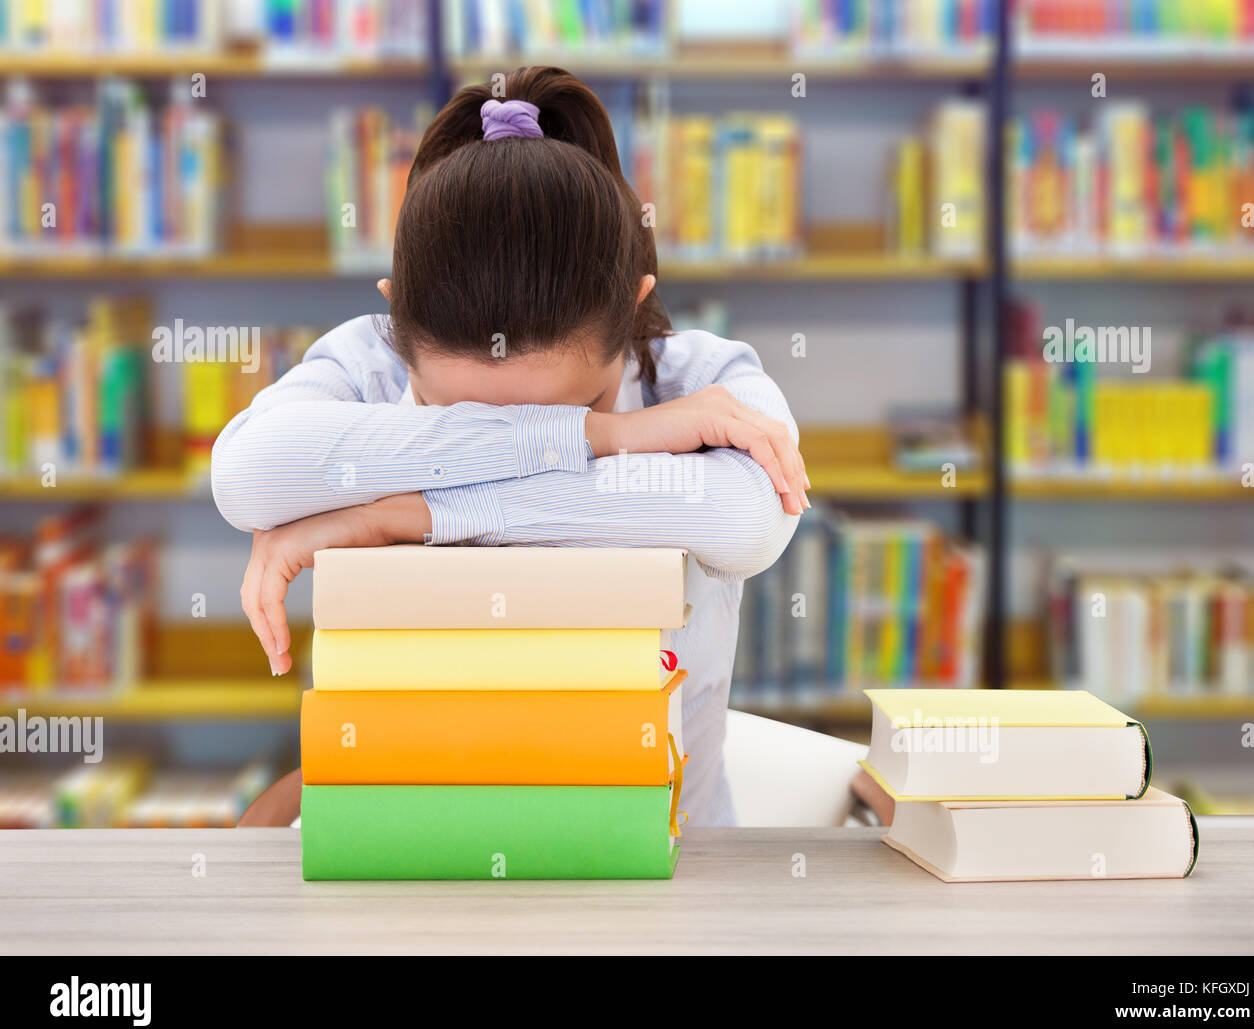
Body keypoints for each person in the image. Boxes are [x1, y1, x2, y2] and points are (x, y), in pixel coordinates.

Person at [213, 67, 808, 828]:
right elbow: (244, 474)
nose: (515, 436)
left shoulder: (706, 384)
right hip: (409, 850)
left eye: (574, 405)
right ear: (396, 322)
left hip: (670, 882)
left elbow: (745, 523)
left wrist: (410, 514)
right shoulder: (365, 364)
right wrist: (600, 434)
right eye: (459, 418)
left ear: (630, 315)